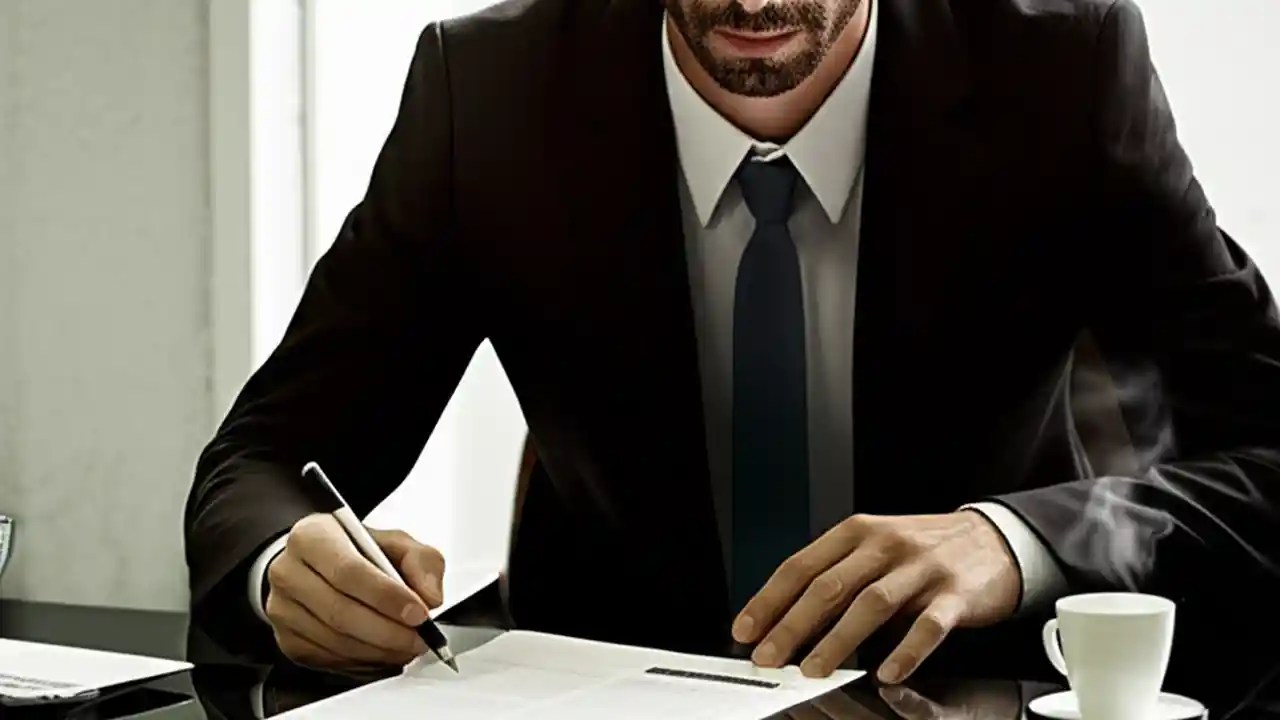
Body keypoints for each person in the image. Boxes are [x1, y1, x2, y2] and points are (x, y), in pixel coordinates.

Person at [185, 0, 1280, 685]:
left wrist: (1012, 542)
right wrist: (287, 566)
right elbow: (266, 461)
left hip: (971, 688)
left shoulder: (1064, 69)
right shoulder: (488, 89)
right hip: (595, 686)